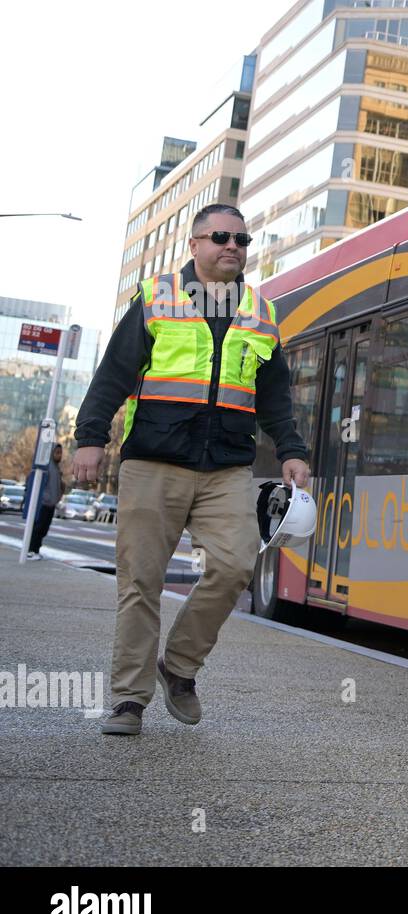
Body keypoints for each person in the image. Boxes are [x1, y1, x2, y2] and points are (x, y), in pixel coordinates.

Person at [73, 204, 311, 736]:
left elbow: (275, 395)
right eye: (221, 237)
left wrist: (292, 449)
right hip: (154, 460)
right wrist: (90, 437)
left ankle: (178, 666)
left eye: (242, 239)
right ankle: (129, 701)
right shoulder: (158, 298)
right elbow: (114, 372)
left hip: (225, 465)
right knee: (142, 583)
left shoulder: (259, 310)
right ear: (195, 245)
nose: (233, 246)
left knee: (235, 563)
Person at [22, 442, 63, 559]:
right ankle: (31, 550)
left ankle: (35, 550)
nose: (59, 455)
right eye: (57, 453)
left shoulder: (56, 468)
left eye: (60, 453)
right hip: (43, 503)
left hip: (50, 504)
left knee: (43, 529)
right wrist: (44, 498)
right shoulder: (46, 467)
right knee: (38, 528)